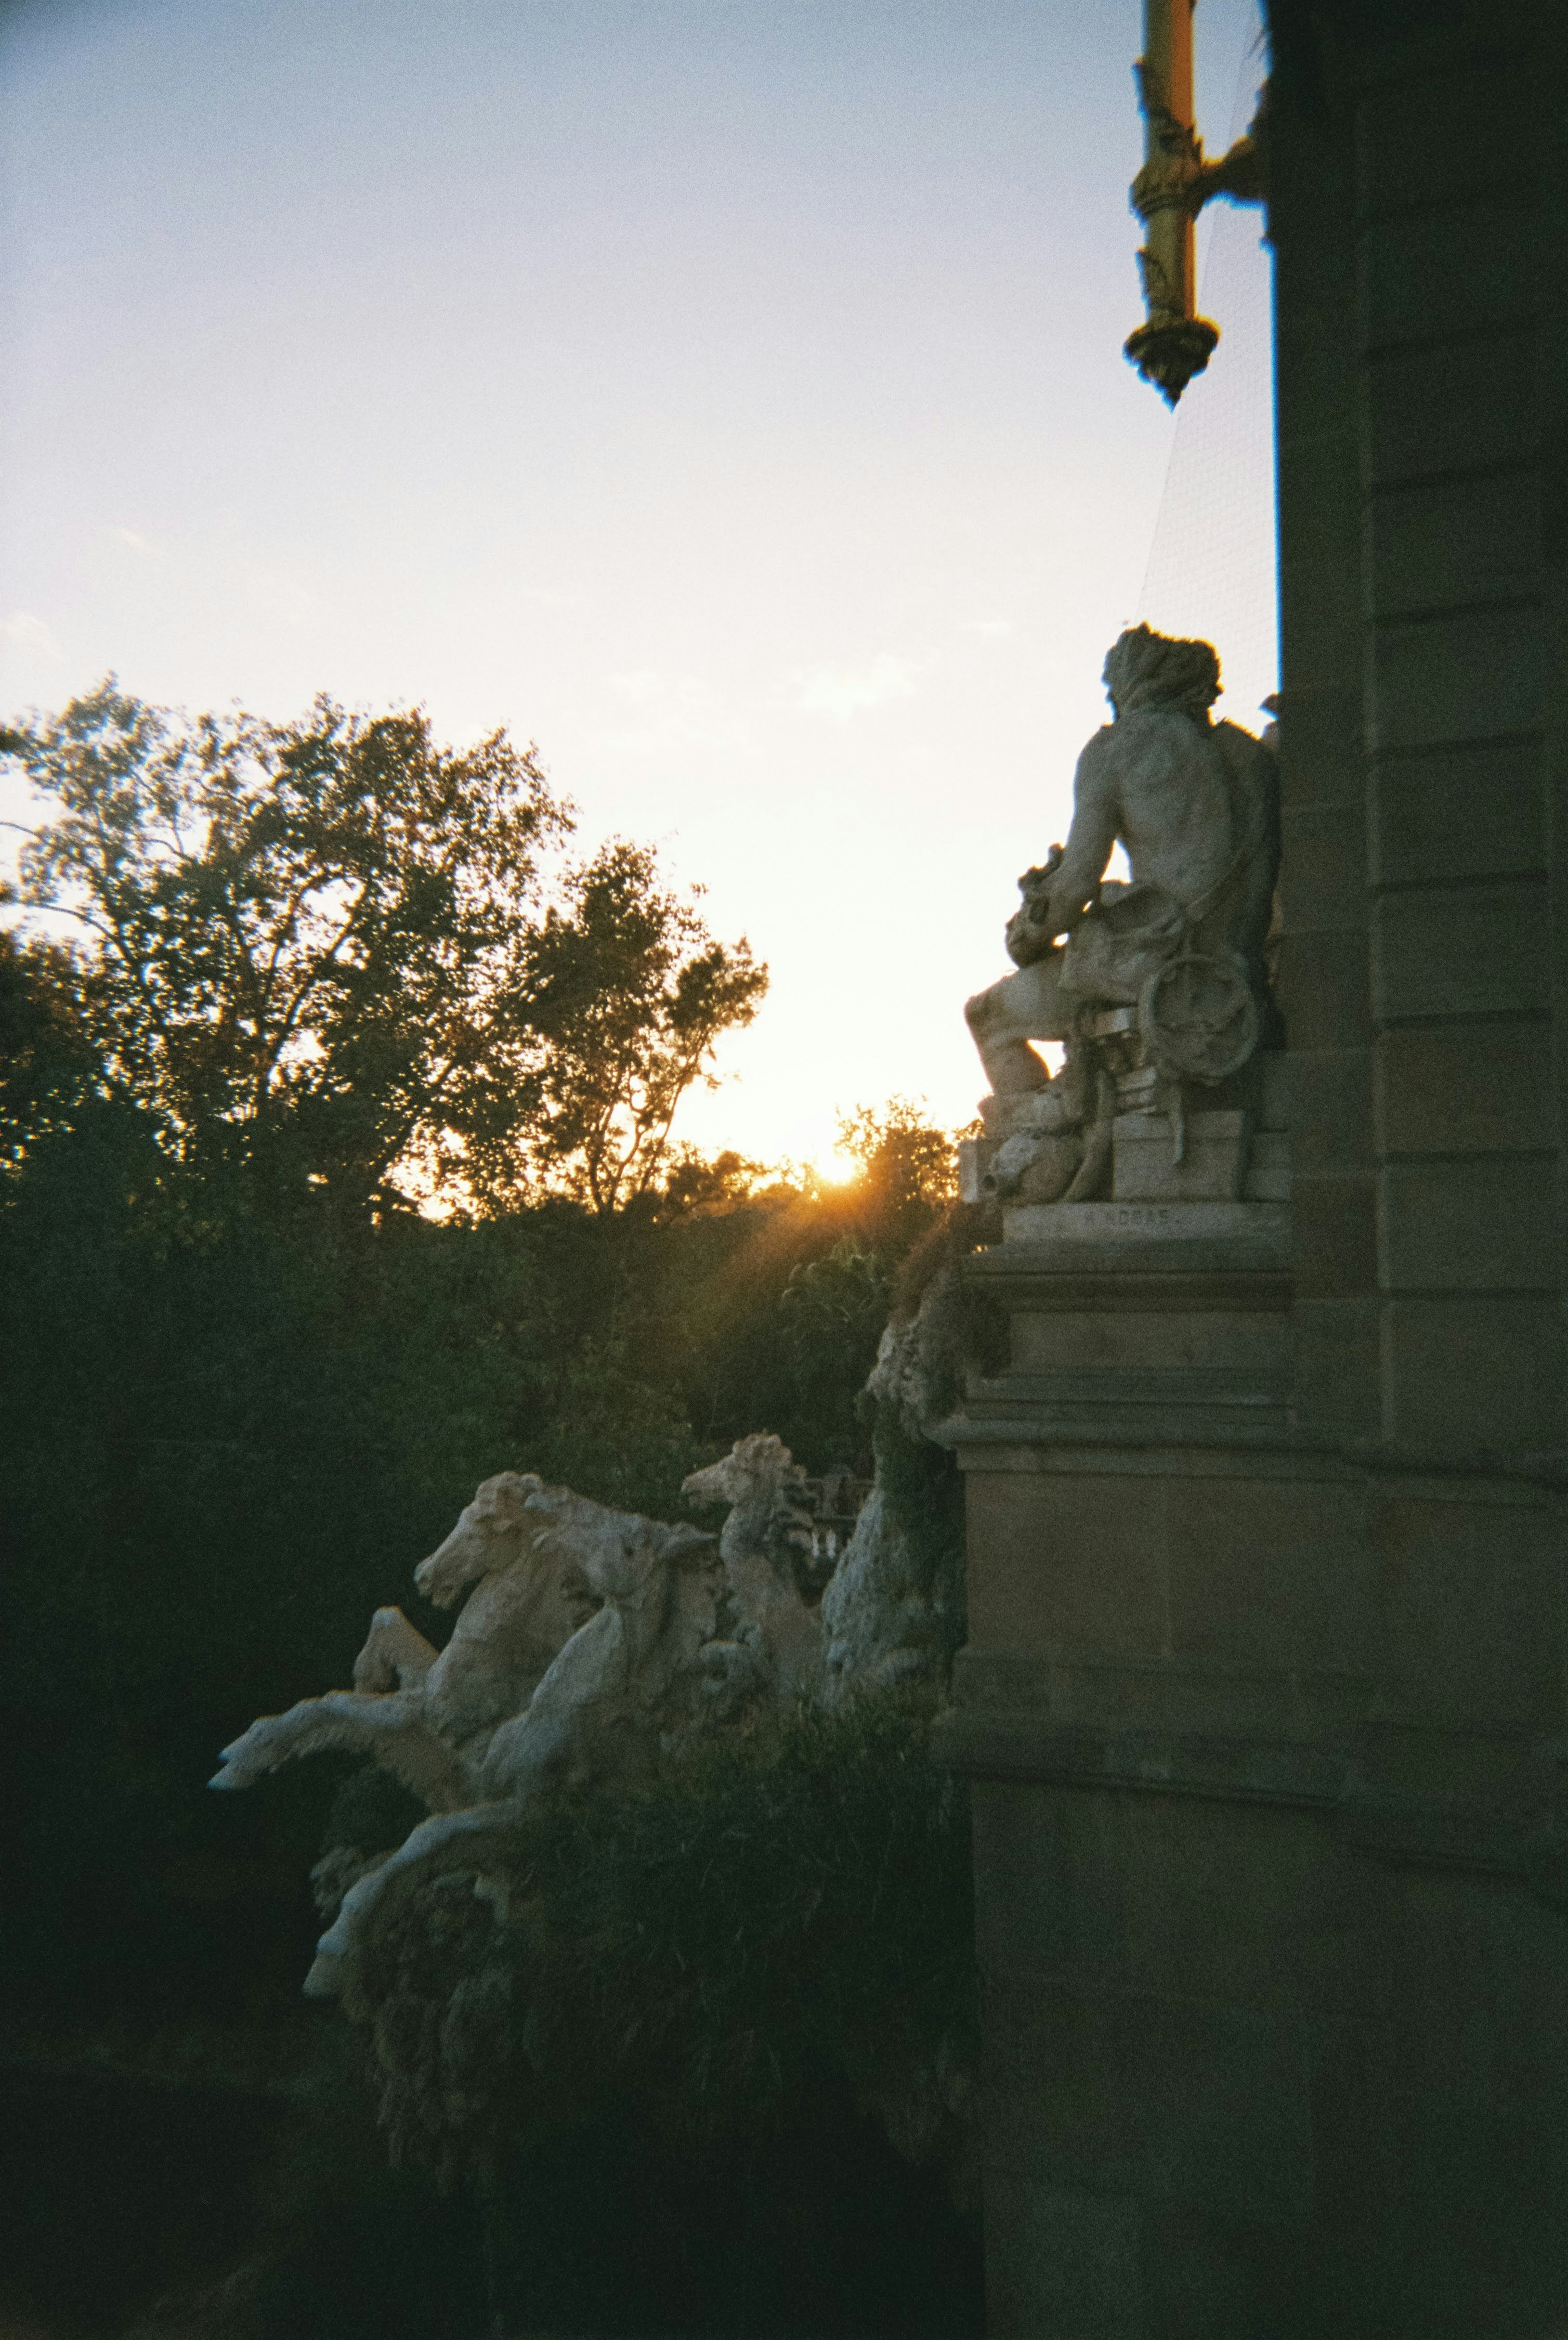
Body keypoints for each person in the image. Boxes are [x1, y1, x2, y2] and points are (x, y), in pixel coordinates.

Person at [964, 624, 1279, 1099]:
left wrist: (1029, 927)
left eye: (1113, 688)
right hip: (1241, 968)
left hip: (1157, 967)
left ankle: (1037, 1148)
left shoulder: (1116, 750)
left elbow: (1071, 893)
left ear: (1133, 683)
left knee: (987, 1016)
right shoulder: (1250, 756)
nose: (1112, 701)